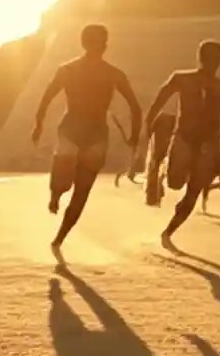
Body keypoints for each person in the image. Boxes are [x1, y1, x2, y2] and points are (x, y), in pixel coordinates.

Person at [32, 24, 142, 250]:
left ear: (105, 46)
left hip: (95, 134)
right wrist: (38, 124)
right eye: (95, 42)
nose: (97, 47)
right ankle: (55, 196)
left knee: (82, 190)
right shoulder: (68, 70)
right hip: (72, 130)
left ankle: (59, 238)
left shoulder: (112, 74)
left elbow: (135, 106)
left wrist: (134, 135)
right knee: (64, 175)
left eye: (100, 43)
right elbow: (46, 97)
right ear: (87, 44)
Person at [144, 40, 220, 248]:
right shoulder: (182, 79)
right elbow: (160, 98)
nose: (215, 63)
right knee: (175, 183)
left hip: (207, 144)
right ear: (201, 59)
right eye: (211, 59)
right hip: (184, 138)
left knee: (193, 192)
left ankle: (168, 232)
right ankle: (160, 173)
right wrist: (149, 123)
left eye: (217, 60)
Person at [142, 112, 178, 206]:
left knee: (155, 165)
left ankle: (153, 195)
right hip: (169, 123)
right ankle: (155, 193)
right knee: (159, 164)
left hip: (164, 123)